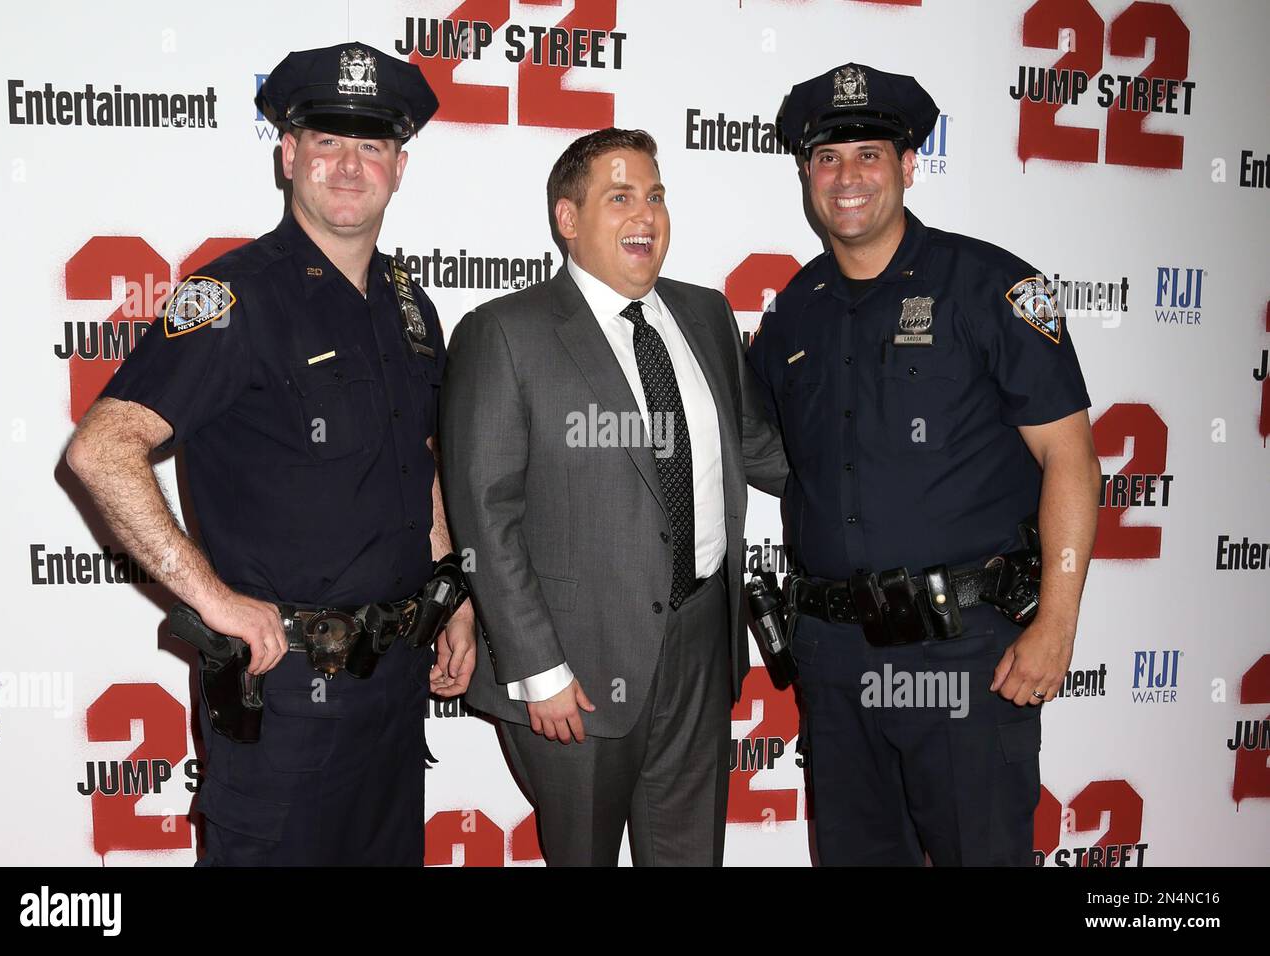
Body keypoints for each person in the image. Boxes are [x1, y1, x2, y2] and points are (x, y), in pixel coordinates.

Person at [64, 42, 474, 866]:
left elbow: (415, 464)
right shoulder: (232, 296)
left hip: (393, 687)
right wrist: (212, 598)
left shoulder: (411, 306)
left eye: (372, 145)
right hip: (283, 699)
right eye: (327, 142)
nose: (350, 166)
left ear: (400, 165)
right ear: (287, 156)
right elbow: (101, 448)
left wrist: (451, 593)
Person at [748, 64, 1100, 866]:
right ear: (806, 175)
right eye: (828, 159)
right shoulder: (794, 310)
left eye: (869, 155)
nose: (848, 178)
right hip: (834, 657)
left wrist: (1057, 621)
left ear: (909, 168)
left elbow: (1073, 461)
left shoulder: (995, 287)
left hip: (966, 651)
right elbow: (773, 454)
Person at [438, 128, 788, 866]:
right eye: (620, 196)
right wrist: (539, 668)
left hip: (701, 647)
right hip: (573, 668)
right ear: (568, 218)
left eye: (656, 196)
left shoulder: (707, 316)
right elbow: (483, 511)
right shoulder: (504, 333)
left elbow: (763, 452)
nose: (646, 215)